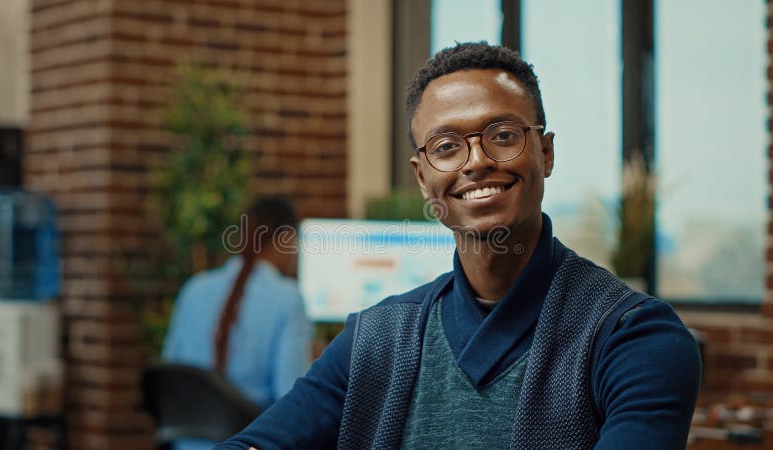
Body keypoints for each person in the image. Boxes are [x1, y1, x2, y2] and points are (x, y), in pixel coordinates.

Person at [216, 42, 701, 449]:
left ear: (546, 152)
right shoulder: (376, 339)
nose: (476, 162)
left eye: (504, 135)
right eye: (446, 146)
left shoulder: (635, 339)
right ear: (423, 179)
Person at [162, 197, 313, 450]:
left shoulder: (194, 289)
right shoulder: (287, 299)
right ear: (286, 239)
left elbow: (170, 377)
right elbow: (292, 404)